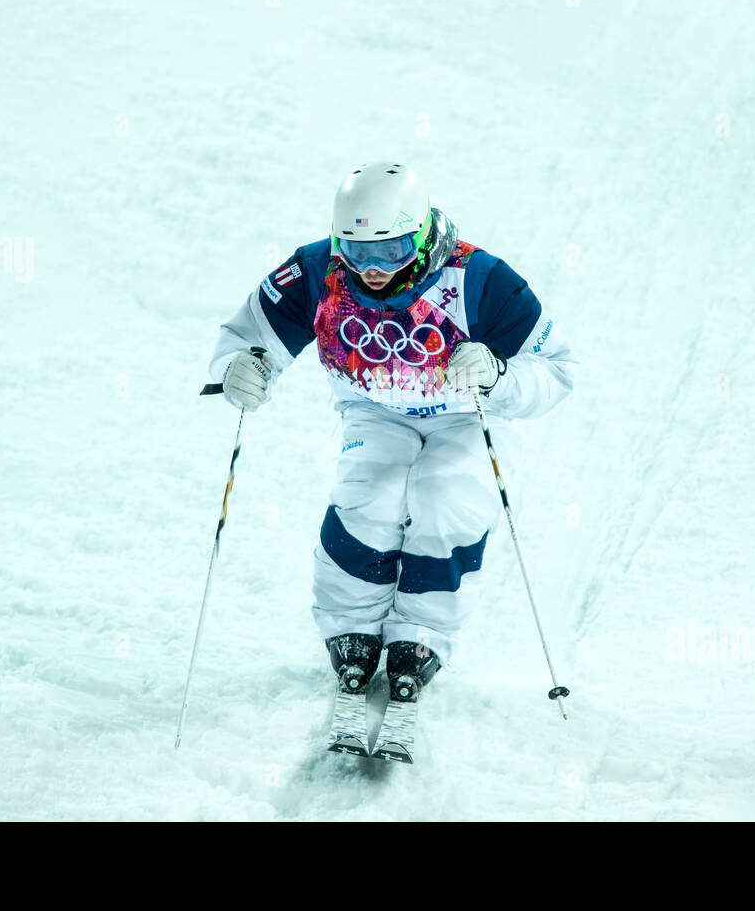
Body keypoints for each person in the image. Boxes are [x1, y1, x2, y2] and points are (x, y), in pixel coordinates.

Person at [208, 162, 576, 746]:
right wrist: (240, 369)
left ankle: (422, 635)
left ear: (425, 234)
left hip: (465, 412)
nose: (373, 270)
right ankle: (352, 629)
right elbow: (248, 335)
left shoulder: (480, 279)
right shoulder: (315, 273)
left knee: (447, 501)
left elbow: (558, 370)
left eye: (394, 249)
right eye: (355, 250)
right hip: (374, 409)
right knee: (369, 498)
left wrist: (499, 374)